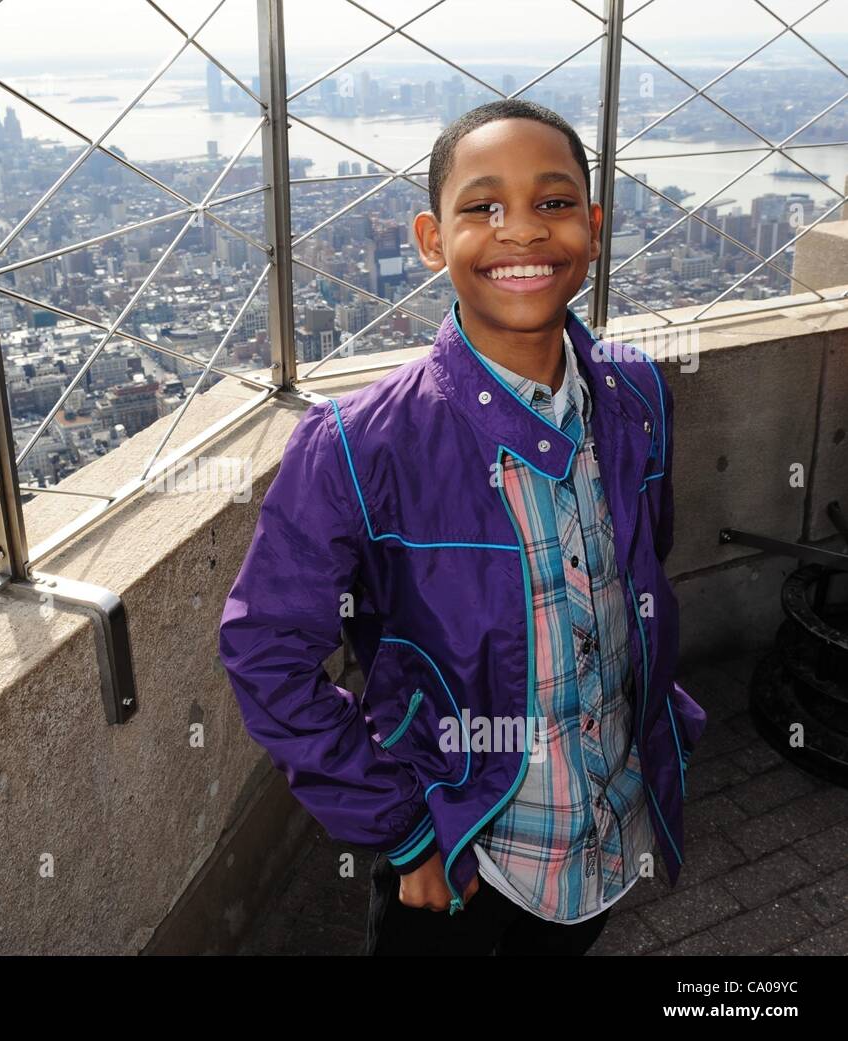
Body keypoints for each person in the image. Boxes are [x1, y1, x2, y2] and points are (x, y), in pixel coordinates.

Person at [217, 99, 706, 956]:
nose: (522, 229)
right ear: (431, 239)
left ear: (593, 229)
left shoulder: (636, 394)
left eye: (553, 202)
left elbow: (640, 569)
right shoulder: (358, 444)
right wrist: (403, 829)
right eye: (482, 206)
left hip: (607, 831)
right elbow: (265, 651)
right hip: (463, 850)